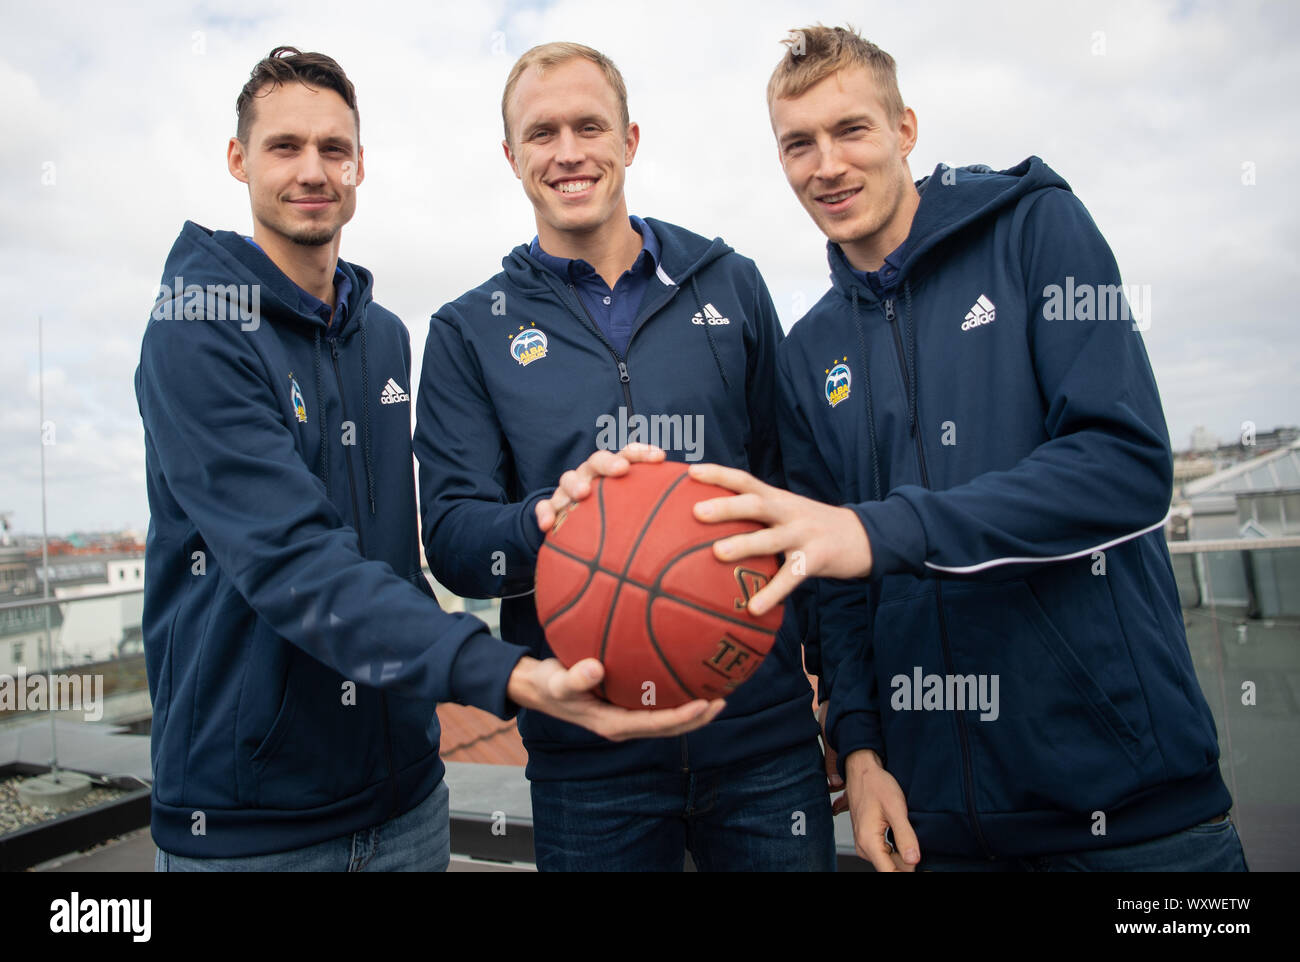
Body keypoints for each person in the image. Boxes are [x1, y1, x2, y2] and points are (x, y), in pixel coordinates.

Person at [135, 45, 721, 872]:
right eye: (284, 147)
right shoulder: (197, 328)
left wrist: (549, 520)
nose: (313, 171)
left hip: (407, 800)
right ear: (238, 160)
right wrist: (507, 674)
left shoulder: (381, 337)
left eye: (334, 150)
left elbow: (395, 562)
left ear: (361, 165)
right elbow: (296, 564)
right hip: (250, 829)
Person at [690, 25, 1247, 872]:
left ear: (905, 129)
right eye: (798, 144)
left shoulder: (1034, 226)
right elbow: (835, 595)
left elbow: (1125, 467)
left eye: (852, 131)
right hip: (933, 829)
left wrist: (883, 532)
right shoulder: (809, 351)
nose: (826, 165)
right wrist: (864, 749)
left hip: (1138, 820)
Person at [413, 42, 835, 872]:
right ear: (511, 156)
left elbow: (803, 500)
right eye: (541, 134)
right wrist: (548, 521)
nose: (567, 152)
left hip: (760, 736)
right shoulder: (468, 330)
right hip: (588, 754)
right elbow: (456, 543)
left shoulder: (730, 283)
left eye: (588, 126)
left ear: (630, 140)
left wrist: (845, 711)